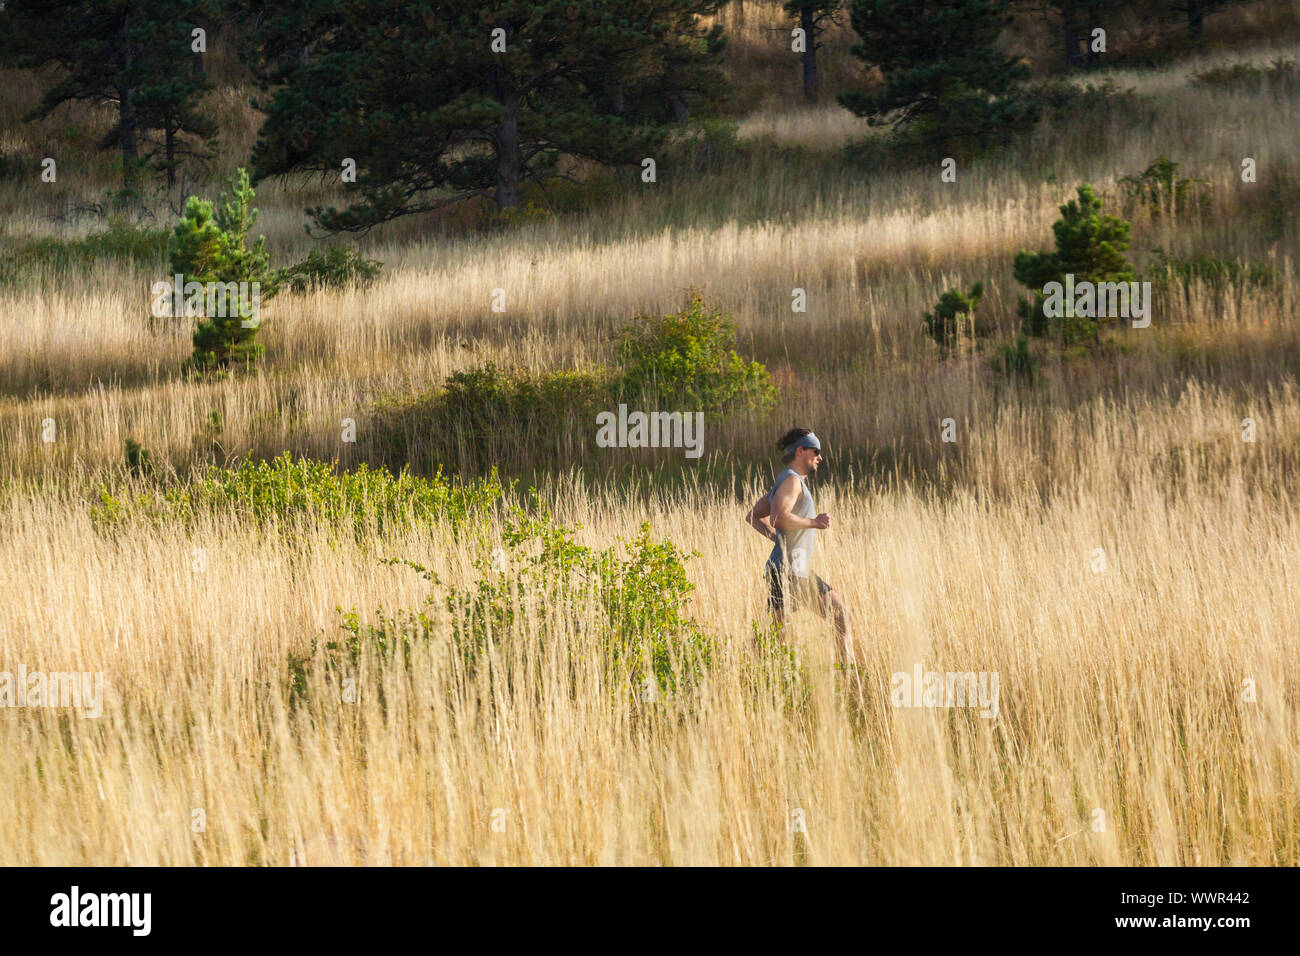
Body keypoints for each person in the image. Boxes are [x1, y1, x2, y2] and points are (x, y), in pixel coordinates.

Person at [744, 427, 853, 666]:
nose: (820, 457)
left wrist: (779, 540)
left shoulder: (786, 481)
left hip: (790, 569)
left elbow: (753, 516)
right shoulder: (792, 482)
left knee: (774, 637)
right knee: (839, 615)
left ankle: (735, 663)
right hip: (788, 571)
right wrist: (814, 522)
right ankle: (846, 674)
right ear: (801, 451)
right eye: (816, 451)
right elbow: (778, 518)